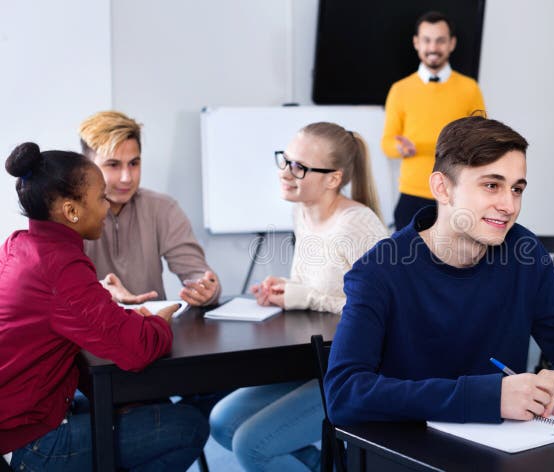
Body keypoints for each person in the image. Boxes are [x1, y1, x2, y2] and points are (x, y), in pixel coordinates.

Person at [325, 116, 554, 427]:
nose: (509, 205)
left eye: (517, 189)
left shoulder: (523, 252)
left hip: (505, 445)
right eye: (491, 186)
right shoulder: (378, 270)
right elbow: (344, 393)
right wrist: (487, 397)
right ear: (442, 188)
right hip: (408, 446)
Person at [0, 142, 208, 471]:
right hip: (31, 441)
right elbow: (138, 349)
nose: (107, 206)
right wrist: (160, 321)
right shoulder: (61, 265)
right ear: (71, 211)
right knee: (188, 426)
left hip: (25, 415)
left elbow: (61, 309)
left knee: (139, 404)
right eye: (100, 198)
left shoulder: (19, 244)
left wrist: (102, 298)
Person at [209, 122, 388, 471]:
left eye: (299, 167)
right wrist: (287, 288)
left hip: (361, 370)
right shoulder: (303, 212)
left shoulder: (357, 224)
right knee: (221, 423)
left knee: (251, 446)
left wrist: (304, 297)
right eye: (285, 160)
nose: (284, 173)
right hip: (317, 359)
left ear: (333, 179)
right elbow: (322, 284)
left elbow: (387, 313)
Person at [79, 110, 221, 306]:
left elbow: (196, 272)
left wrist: (207, 289)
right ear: (88, 167)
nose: (127, 177)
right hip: (95, 321)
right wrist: (99, 292)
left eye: (134, 163)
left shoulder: (163, 208)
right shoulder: (72, 215)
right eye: (113, 165)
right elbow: (58, 289)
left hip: (153, 323)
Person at [382, 11, 485, 229]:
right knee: (407, 250)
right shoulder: (400, 90)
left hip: (455, 193)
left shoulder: (470, 89)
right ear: (416, 43)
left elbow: (482, 142)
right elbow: (387, 142)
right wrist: (400, 148)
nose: (433, 47)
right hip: (412, 195)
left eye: (440, 40)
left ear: (451, 44)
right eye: (427, 40)